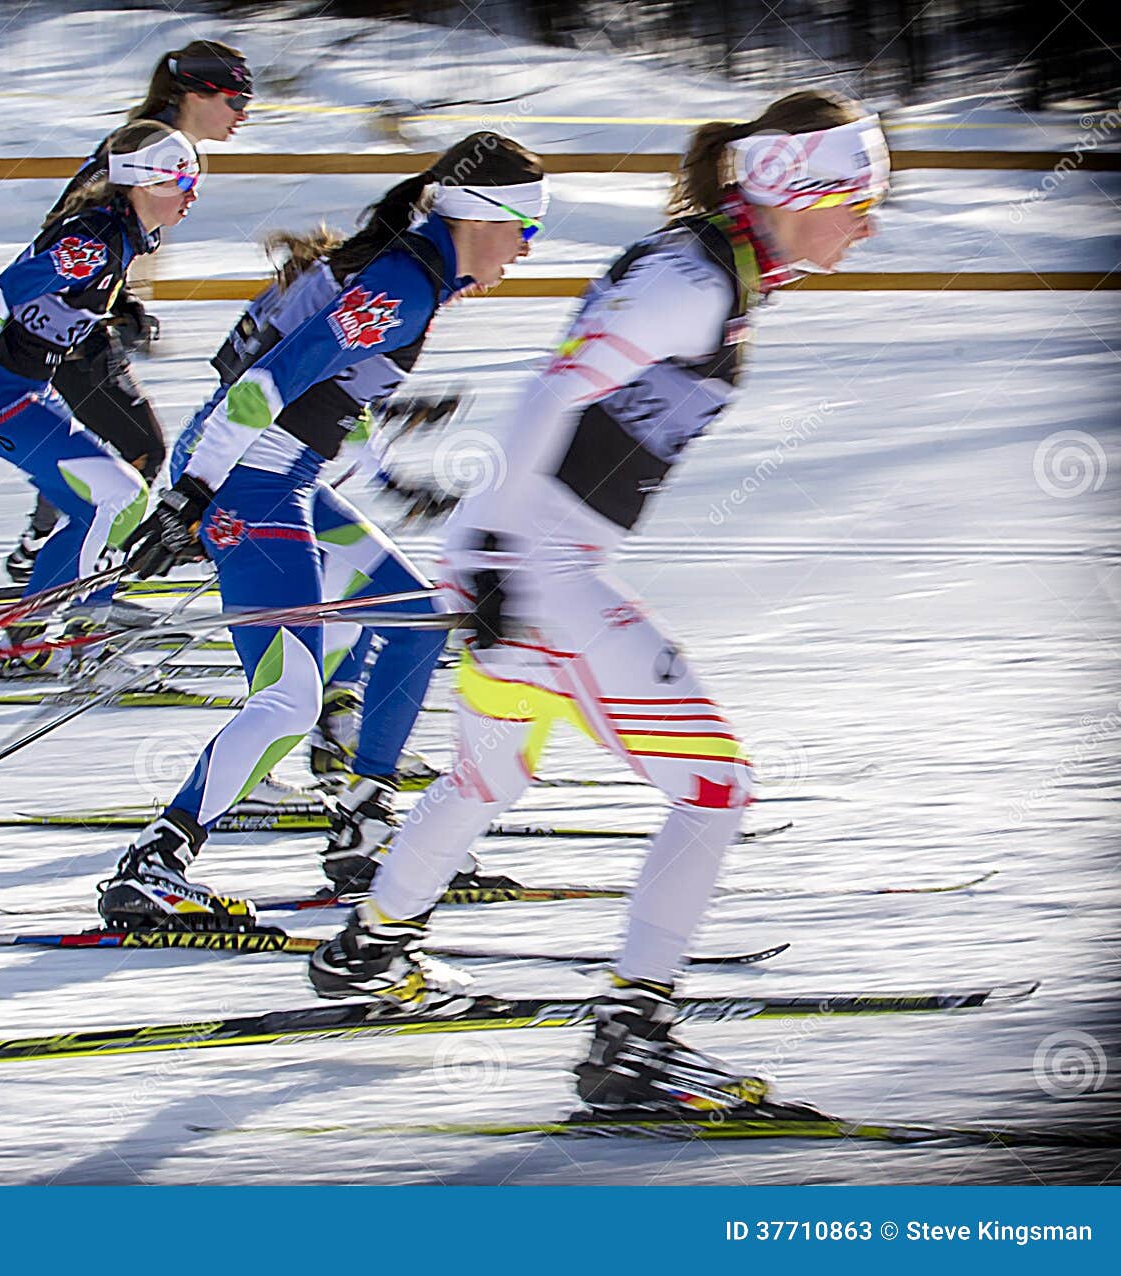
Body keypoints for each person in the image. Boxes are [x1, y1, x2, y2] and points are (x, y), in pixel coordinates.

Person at [308, 91, 889, 1117]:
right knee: (714, 786)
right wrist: (497, 563)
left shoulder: (713, 269)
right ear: (792, 185)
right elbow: (552, 394)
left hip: (516, 556)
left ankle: (369, 948)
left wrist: (485, 556)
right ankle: (633, 1038)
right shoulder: (691, 281)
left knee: (486, 776)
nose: (868, 220)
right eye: (856, 194)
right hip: (540, 568)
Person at [98, 131, 548, 929]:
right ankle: (156, 864)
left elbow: (299, 380)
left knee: (413, 618)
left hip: (282, 479)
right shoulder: (403, 284)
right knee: (288, 700)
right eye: (525, 229)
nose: (524, 251)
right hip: (250, 481)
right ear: (481, 217)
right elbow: (263, 386)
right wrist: (194, 493)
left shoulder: (416, 274)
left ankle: (364, 826)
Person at [0, 122, 203, 672]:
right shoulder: (93, 244)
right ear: (148, 182)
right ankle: (82, 641)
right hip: (4, 399)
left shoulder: (121, 238)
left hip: (27, 392)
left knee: (100, 505)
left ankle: (31, 638)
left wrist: (118, 314)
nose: (193, 194)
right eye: (184, 179)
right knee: (124, 496)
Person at [4, 41, 254, 585]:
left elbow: (112, 243)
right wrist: (103, 300)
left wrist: (122, 300)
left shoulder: (175, 146)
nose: (244, 113)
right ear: (196, 93)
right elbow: (68, 232)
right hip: (66, 327)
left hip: (85, 320)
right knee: (141, 452)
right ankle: (60, 561)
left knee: (128, 447)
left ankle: (48, 544)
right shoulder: (149, 146)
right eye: (236, 98)